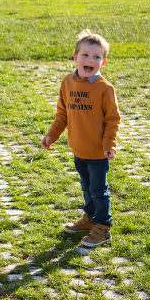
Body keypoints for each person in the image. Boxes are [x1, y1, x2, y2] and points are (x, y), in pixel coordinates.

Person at [41, 30, 120, 248]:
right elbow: (62, 115)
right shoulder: (68, 82)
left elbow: (113, 120)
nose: (90, 60)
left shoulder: (105, 89)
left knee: (98, 190)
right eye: (85, 55)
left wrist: (109, 145)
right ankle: (90, 219)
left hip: (97, 153)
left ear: (103, 62)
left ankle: (103, 227)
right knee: (86, 188)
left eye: (96, 57)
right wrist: (51, 135)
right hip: (78, 150)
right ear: (75, 57)